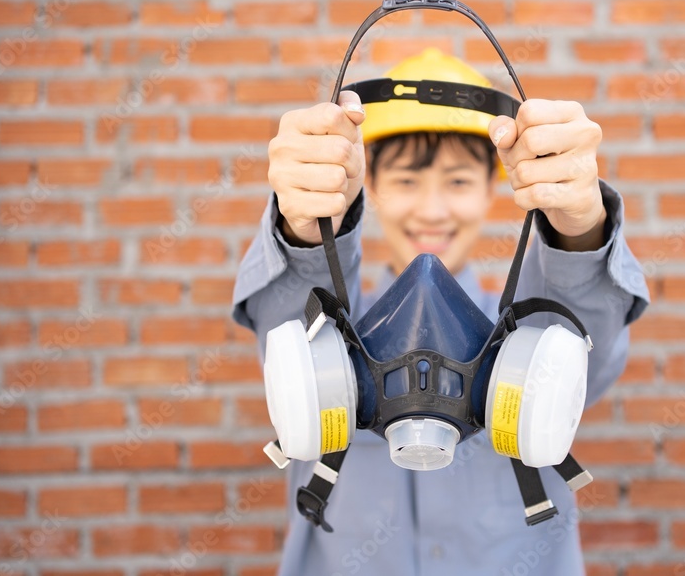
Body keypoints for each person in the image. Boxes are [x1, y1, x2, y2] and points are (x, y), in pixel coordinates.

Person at [232, 48, 650, 576]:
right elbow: (288, 312)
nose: (432, 210)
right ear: (370, 186)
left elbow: (589, 333)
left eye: (457, 181)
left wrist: (577, 225)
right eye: (407, 181)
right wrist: (306, 224)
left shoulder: (532, 344)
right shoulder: (325, 336)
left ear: (493, 189)